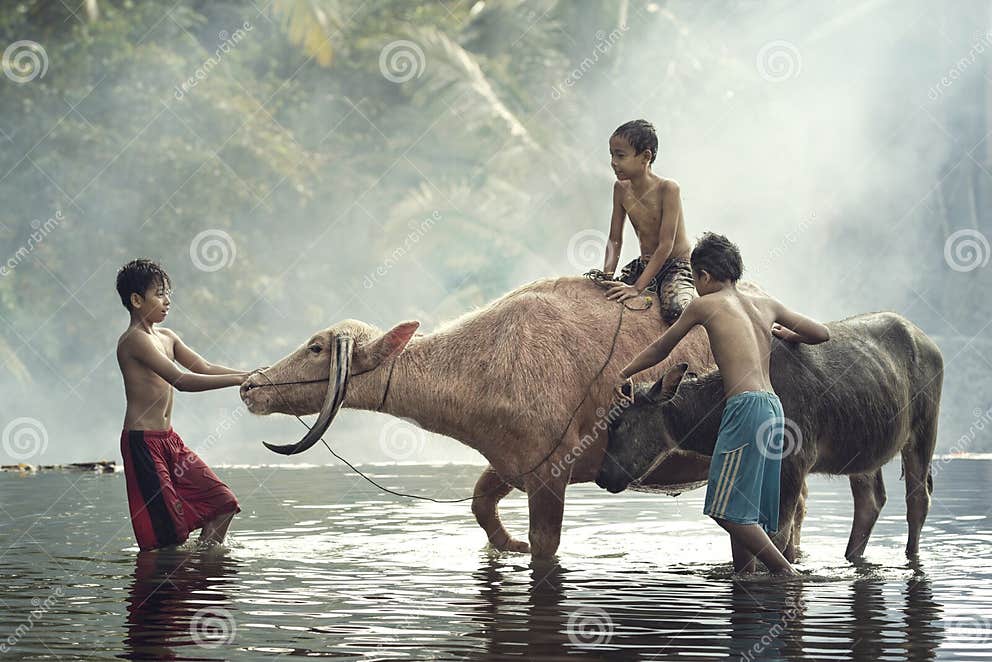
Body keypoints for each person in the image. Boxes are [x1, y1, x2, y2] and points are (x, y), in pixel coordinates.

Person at [615, 233, 830, 575]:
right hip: (773, 408)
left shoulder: (705, 304)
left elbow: (662, 348)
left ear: (704, 276)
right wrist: (787, 334)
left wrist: (623, 373)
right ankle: (744, 576)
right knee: (745, 507)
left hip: (744, 408)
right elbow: (821, 333)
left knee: (725, 510)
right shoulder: (762, 301)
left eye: (695, 278)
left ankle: (785, 573)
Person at [115, 258, 252, 551]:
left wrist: (248, 375)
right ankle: (173, 587)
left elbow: (202, 366)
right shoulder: (133, 341)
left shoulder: (167, 336)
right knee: (166, 538)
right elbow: (181, 380)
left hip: (170, 441)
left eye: (167, 294)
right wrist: (237, 381)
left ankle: (203, 573)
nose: (167, 302)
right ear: (136, 300)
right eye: (159, 294)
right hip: (143, 444)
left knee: (223, 504)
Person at [602, 119, 695, 324]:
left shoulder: (668, 189)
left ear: (645, 157)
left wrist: (636, 288)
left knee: (676, 310)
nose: (613, 162)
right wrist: (607, 275)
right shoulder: (620, 189)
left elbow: (666, 245)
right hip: (645, 264)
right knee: (604, 294)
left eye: (620, 156)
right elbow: (614, 239)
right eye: (612, 155)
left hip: (675, 265)